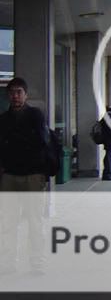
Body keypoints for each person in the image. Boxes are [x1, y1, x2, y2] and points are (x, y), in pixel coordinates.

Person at [0, 77, 49, 274]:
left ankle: (37, 262)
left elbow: (41, 142)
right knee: (7, 221)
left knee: (35, 221)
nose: (15, 96)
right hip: (9, 175)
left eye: (19, 92)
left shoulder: (35, 115)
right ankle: (8, 262)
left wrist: (14, 143)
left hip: (33, 175)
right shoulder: (3, 119)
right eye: (12, 92)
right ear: (8, 95)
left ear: (26, 95)